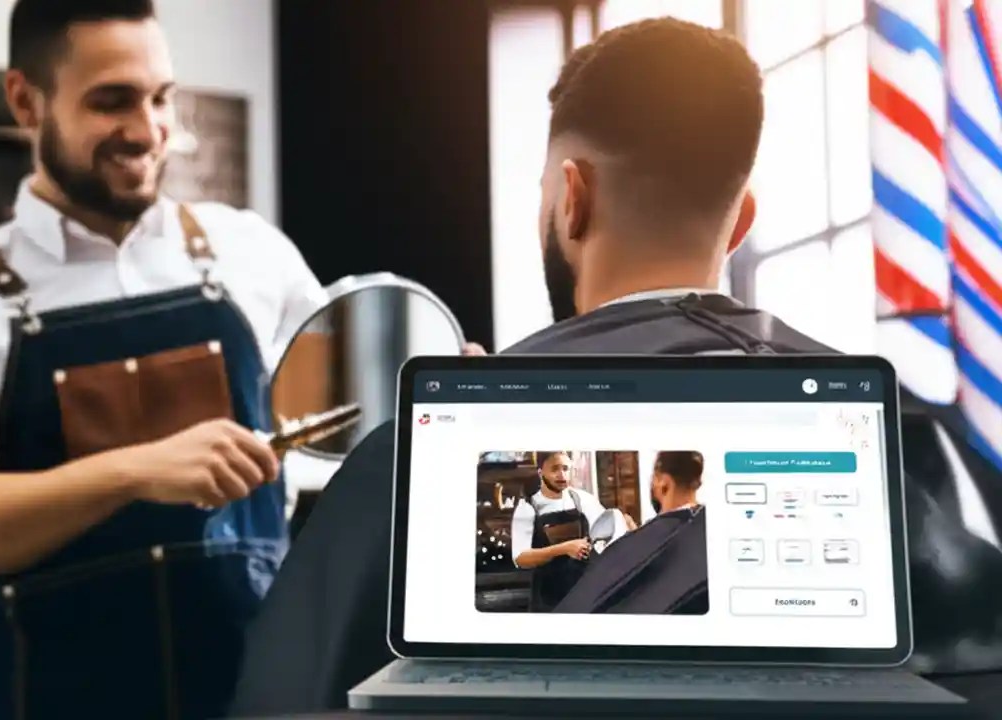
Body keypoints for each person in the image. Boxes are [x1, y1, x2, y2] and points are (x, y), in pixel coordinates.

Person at [227, 18, 839, 717]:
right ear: (741, 222)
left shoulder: (424, 452)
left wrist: (445, 445)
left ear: (570, 200)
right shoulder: (890, 433)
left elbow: (277, 697)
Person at [0, 2, 327, 718]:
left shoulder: (250, 252)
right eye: (111, 101)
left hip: (255, 697)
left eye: (161, 98)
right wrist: (137, 470)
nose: (149, 129)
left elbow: (341, 430)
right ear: (25, 101)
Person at [553, 451, 708, 615]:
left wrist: (632, 542)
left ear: (664, 483)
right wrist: (638, 537)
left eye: (653, 479)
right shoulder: (703, 532)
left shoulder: (631, 546)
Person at [510, 451, 604, 612]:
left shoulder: (584, 500)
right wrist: (564, 548)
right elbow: (520, 558)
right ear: (541, 472)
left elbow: (605, 533)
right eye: (555, 469)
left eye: (566, 469)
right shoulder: (528, 507)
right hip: (548, 599)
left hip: (583, 591)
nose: (562, 475)